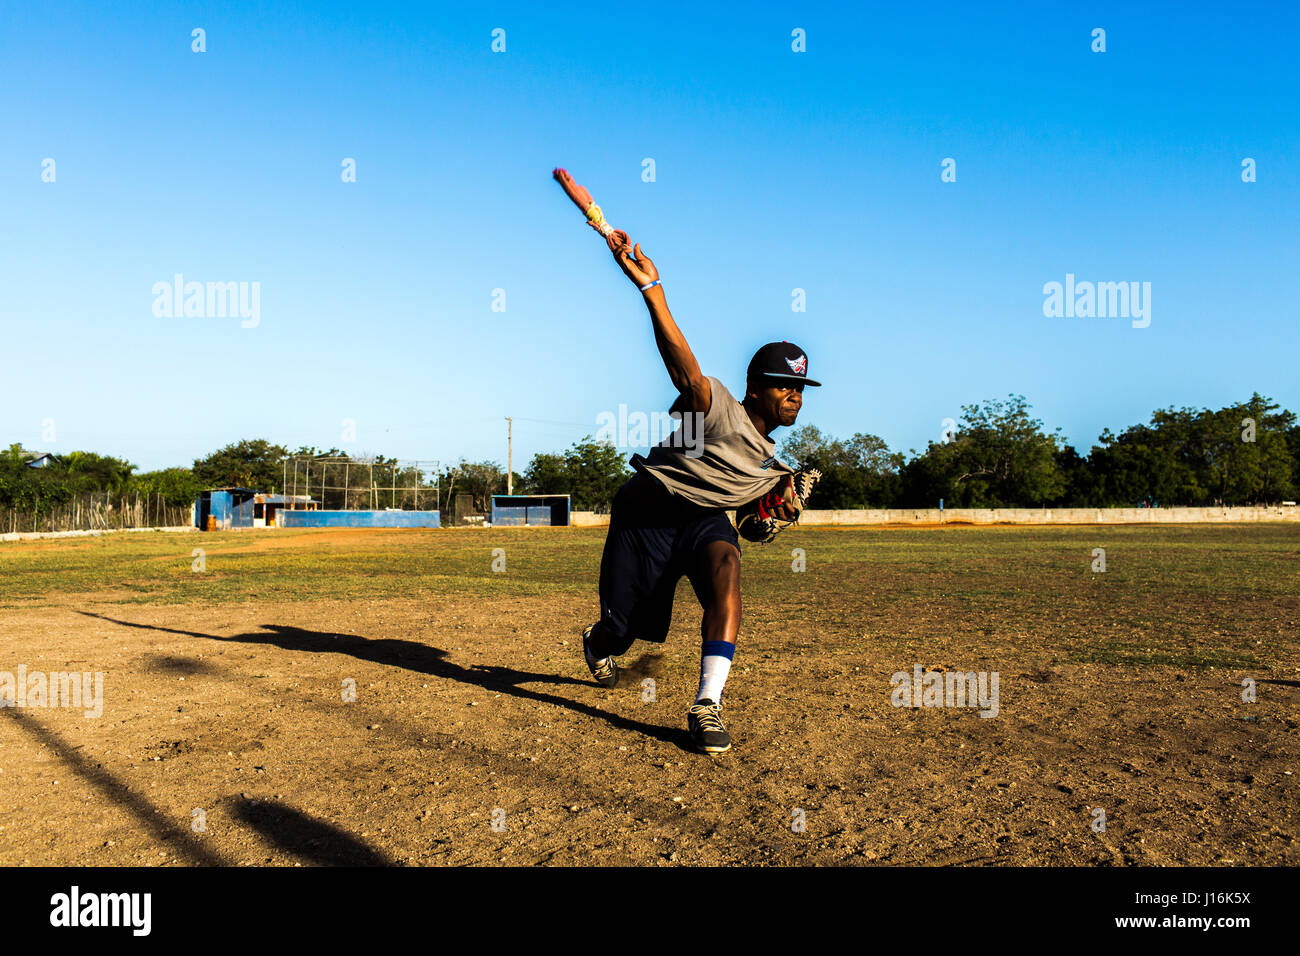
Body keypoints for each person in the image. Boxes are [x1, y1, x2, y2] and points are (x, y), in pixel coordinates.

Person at [580, 229, 821, 754]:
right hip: (648, 510)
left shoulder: (775, 467)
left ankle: (706, 704)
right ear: (755, 386)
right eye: (784, 384)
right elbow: (684, 367)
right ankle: (599, 642)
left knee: (727, 568)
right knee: (624, 632)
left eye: (800, 388)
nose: (794, 396)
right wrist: (653, 290)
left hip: (704, 520)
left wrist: (766, 520)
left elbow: (757, 527)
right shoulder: (717, 407)